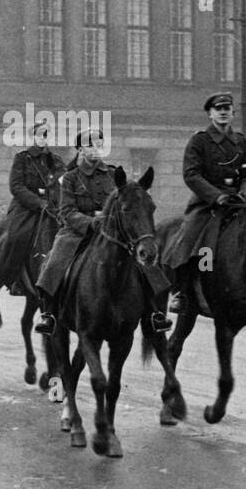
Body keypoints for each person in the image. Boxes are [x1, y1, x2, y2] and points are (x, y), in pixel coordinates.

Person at [34, 128, 172, 335]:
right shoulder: (70, 178)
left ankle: (154, 312)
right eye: (90, 144)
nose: (96, 148)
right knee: (55, 261)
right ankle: (50, 314)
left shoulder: (113, 173)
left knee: (149, 265)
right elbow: (66, 212)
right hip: (77, 232)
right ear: (80, 149)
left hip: (112, 233)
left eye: (99, 144)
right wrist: (90, 222)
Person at [164, 91, 246, 317]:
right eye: (218, 109)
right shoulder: (199, 141)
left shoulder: (241, 142)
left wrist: (243, 193)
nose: (223, 113)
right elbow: (191, 175)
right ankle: (182, 292)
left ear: (233, 113)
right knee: (189, 240)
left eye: (227, 109)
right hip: (207, 203)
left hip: (237, 202)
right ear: (210, 114)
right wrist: (216, 196)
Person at [0, 120, 64, 296]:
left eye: (46, 134)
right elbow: (16, 186)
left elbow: (63, 183)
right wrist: (39, 203)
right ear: (32, 137)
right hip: (26, 208)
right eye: (40, 134)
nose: (43, 138)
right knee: (18, 236)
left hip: (53, 208)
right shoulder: (22, 158)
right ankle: (14, 278)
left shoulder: (56, 160)